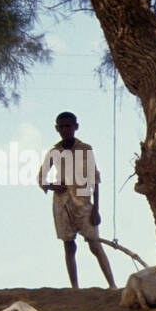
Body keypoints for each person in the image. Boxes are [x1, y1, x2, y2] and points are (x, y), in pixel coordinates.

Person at [38, 111, 116, 289]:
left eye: (68, 126)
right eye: (62, 126)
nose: (65, 130)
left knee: (94, 244)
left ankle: (112, 284)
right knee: (69, 245)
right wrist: (52, 186)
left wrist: (96, 209)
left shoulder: (85, 149)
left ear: (76, 127)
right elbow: (41, 177)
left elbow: (94, 180)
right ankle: (75, 287)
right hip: (62, 204)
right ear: (57, 129)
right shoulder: (54, 152)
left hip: (83, 204)